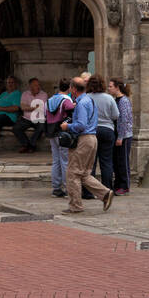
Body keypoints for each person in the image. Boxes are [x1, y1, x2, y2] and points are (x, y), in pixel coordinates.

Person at [60, 77, 114, 214]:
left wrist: (67, 126)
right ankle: (105, 194)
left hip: (84, 139)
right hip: (92, 138)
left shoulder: (82, 103)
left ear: (73, 89)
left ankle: (75, 206)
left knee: (73, 173)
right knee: (84, 174)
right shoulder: (89, 100)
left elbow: (81, 125)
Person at [87, 74, 118, 190]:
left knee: (91, 162)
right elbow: (116, 115)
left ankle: (91, 189)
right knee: (106, 161)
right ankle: (107, 189)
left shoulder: (86, 97)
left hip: (92, 130)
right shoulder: (109, 98)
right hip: (107, 130)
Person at [45, 79, 75, 197]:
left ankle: (56, 188)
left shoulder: (49, 100)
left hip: (52, 132)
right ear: (69, 88)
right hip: (62, 133)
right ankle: (68, 188)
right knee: (65, 161)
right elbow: (71, 110)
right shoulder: (66, 100)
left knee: (56, 160)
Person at [108, 77, 133, 194]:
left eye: (110, 86)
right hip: (117, 134)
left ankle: (125, 185)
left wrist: (120, 137)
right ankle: (118, 184)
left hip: (124, 135)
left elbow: (124, 119)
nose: (109, 88)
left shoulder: (123, 101)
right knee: (117, 161)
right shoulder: (115, 100)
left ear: (117, 87)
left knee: (123, 161)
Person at [13, 77, 48, 153]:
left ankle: (31, 145)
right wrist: (34, 107)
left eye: (39, 85)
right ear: (30, 86)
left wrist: (28, 107)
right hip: (26, 118)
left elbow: (41, 107)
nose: (38, 87)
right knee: (16, 128)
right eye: (35, 85)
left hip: (39, 118)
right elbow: (22, 107)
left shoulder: (43, 94)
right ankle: (26, 145)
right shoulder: (25, 94)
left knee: (41, 127)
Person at [0, 76, 21, 151]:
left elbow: (16, 108)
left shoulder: (17, 93)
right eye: (8, 83)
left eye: (12, 82)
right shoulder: (4, 94)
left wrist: (0, 108)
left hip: (9, 116)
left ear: (16, 84)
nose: (10, 84)